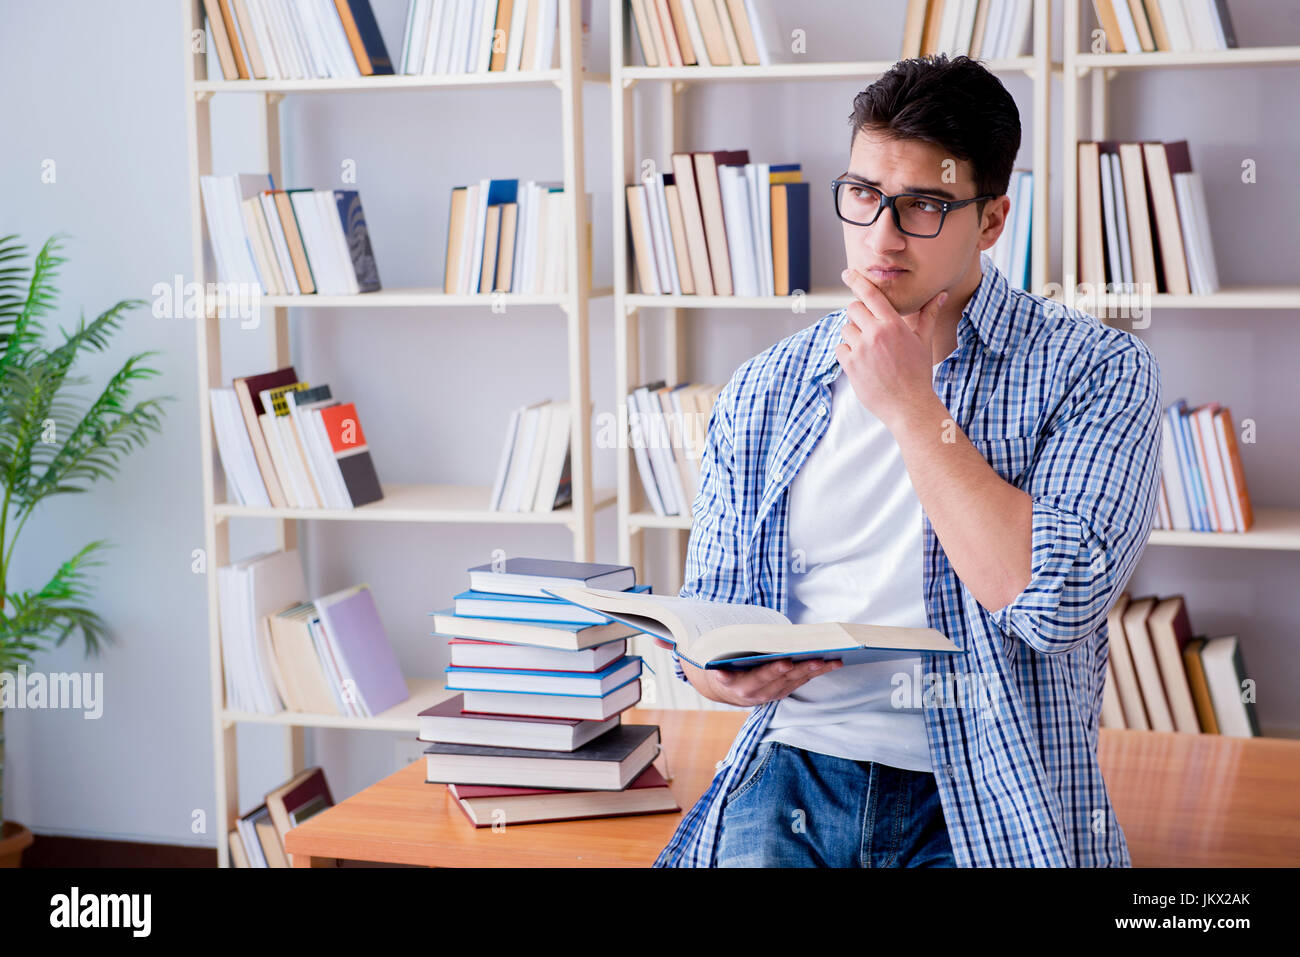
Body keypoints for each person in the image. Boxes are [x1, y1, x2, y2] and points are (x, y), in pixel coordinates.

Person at [652, 54, 1163, 868]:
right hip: (795, 768)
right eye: (863, 196)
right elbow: (713, 618)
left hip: (987, 781)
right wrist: (717, 676)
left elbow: (1056, 603)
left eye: (923, 205)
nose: (881, 239)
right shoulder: (765, 389)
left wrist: (913, 409)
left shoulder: (1095, 371)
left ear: (991, 220)